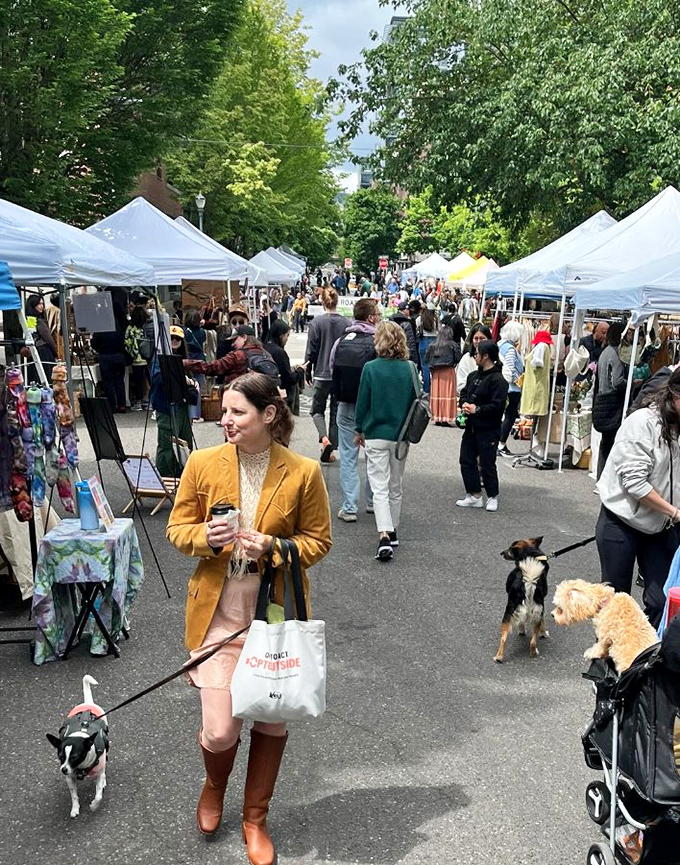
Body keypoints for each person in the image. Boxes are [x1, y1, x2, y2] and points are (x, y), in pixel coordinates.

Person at [166, 372, 332, 863]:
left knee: (271, 723)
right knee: (221, 730)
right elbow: (177, 528)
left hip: (275, 616)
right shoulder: (202, 462)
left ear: (268, 414)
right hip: (219, 611)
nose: (226, 419)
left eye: (237, 412)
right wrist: (206, 538)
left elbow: (319, 541)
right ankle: (215, 785)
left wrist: (275, 547)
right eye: (225, 411)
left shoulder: (303, 472)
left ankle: (255, 818)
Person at [595, 367, 680, 628]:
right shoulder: (643, 422)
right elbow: (635, 483)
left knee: (662, 600)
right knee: (616, 602)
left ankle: (645, 650)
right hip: (620, 521)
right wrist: (675, 512)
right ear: (675, 394)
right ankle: (610, 652)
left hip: (659, 525)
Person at [354, 321, 416, 561]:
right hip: (401, 435)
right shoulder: (410, 368)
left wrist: (359, 429)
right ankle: (393, 528)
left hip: (375, 433)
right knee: (395, 486)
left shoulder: (370, 368)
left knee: (379, 486)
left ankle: (384, 535)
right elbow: (416, 400)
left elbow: (363, 403)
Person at [330, 298, 380, 521]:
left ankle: (349, 507)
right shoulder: (378, 342)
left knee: (348, 457)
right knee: (373, 456)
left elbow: (331, 368)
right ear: (371, 317)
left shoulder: (341, 341)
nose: (379, 317)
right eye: (377, 314)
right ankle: (372, 501)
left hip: (346, 404)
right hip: (371, 406)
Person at [456, 339, 509, 513]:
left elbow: (498, 406)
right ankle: (474, 494)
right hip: (471, 426)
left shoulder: (498, 380)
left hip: (489, 428)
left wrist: (477, 409)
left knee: (487, 463)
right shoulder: (473, 376)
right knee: (466, 459)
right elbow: (464, 393)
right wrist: (464, 404)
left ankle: (492, 496)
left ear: (486, 356)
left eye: (477, 353)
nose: (474, 356)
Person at [305, 288, 348, 462]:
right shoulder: (346, 323)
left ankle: (324, 439)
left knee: (317, 410)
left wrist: (307, 370)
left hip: (321, 372)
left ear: (322, 302)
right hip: (339, 373)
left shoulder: (317, 323)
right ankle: (330, 450)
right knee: (336, 412)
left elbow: (311, 350)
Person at [150, 325, 197, 477]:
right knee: (167, 445)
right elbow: (156, 379)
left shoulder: (184, 359)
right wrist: (178, 377)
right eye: (172, 338)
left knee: (185, 442)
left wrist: (192, 384)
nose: (175, 341)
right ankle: (165, 477)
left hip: (182, 407)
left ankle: (184, 475)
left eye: (178, 338)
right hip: (166, 407)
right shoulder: (159, 358)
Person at [185, 326, 279, 387]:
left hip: (242, 397)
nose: (232, 344)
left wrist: (187, 363)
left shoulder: (238, 355)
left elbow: (213, 367)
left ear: (244, 337)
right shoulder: (265, 353)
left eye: (234, 340)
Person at [594, 321, 627, 479]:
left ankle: (601, 476)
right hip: (612, 402)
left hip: (602, 399)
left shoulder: (605, 352)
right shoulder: (616, 354)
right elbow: (617, 381)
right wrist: (632, 383)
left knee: (605, 443)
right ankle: (606, 479)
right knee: (612, 442)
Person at [91, 292, 128, 413]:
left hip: (105, 356)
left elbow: (94, 343)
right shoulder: (119, 326)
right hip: (119, 355)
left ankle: (113, 405)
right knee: (119, 380)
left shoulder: (100, 327)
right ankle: (122, 405)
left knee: (108, 382)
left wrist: (98, 348)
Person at [264, 319, 307, 415]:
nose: (287, 339)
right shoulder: (279, 353)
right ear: (281, 335)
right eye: (287, 335)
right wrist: (300, 371)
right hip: (282, 395)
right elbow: (289, 378)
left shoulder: (264, 347)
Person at [497, 321, 525, 457]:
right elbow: (510, 369)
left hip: (504, 387)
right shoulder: (510, 349)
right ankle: (501, 444)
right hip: (512, 388)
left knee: (505, 416)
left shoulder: (500, 345)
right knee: (510, 416)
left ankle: (499, 443)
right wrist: (519, 380)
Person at [426, 326, 461, 426]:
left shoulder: (432, 345)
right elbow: (458, 357)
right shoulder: (452, 344)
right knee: (447, 393)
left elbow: (426, 358)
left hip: (436, 372)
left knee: (437, 394)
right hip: (448, 371)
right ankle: (446, 417)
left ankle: (437, 416)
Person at [24, 293, 57, 381]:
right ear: (33, 305)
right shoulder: (39, 321)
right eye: (39, 304)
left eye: (42, 303)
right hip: (44, 351)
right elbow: (48, 339)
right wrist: (55, 352)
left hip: (34, 350)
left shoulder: (30, 319)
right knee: (46, 376)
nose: (41, 306)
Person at [124, 305, 151, 411]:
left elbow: (127, 343)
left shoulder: (130, 329)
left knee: (138, 382)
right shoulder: (147, 327)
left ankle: (139, 402)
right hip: (147, 358)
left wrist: (133, 354)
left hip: (136, 360)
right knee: (149, 380)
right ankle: (149, 400)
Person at [184, 309, 207, 424]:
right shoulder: (202, 332)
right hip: (199, 361)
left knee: (188, 386)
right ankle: (196, 415)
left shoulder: (184, 332)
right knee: (198, 388)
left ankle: (188, 414)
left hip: (188, 360)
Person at [456, 324, 492, 393]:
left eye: (482, 338)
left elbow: (506, 376)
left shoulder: (496, 356)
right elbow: (459, 385)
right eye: (476, 338)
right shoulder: (466, 359)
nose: (478, 341)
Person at [391, 299, 420, 367]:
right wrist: (415, 359)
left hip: (393, 352)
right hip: (405, 352)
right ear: (405, 310)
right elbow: (411, 340)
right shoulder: (407, 323)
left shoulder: (392, 320)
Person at [417, 306, 439, 393]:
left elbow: (417, 328)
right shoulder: (435, 319)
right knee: (435, 366)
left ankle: (427, 389)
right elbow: (439, 330)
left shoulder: (420, 319)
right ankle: (435, 388)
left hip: (423, 341)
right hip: (434, 341)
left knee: (425, 366)